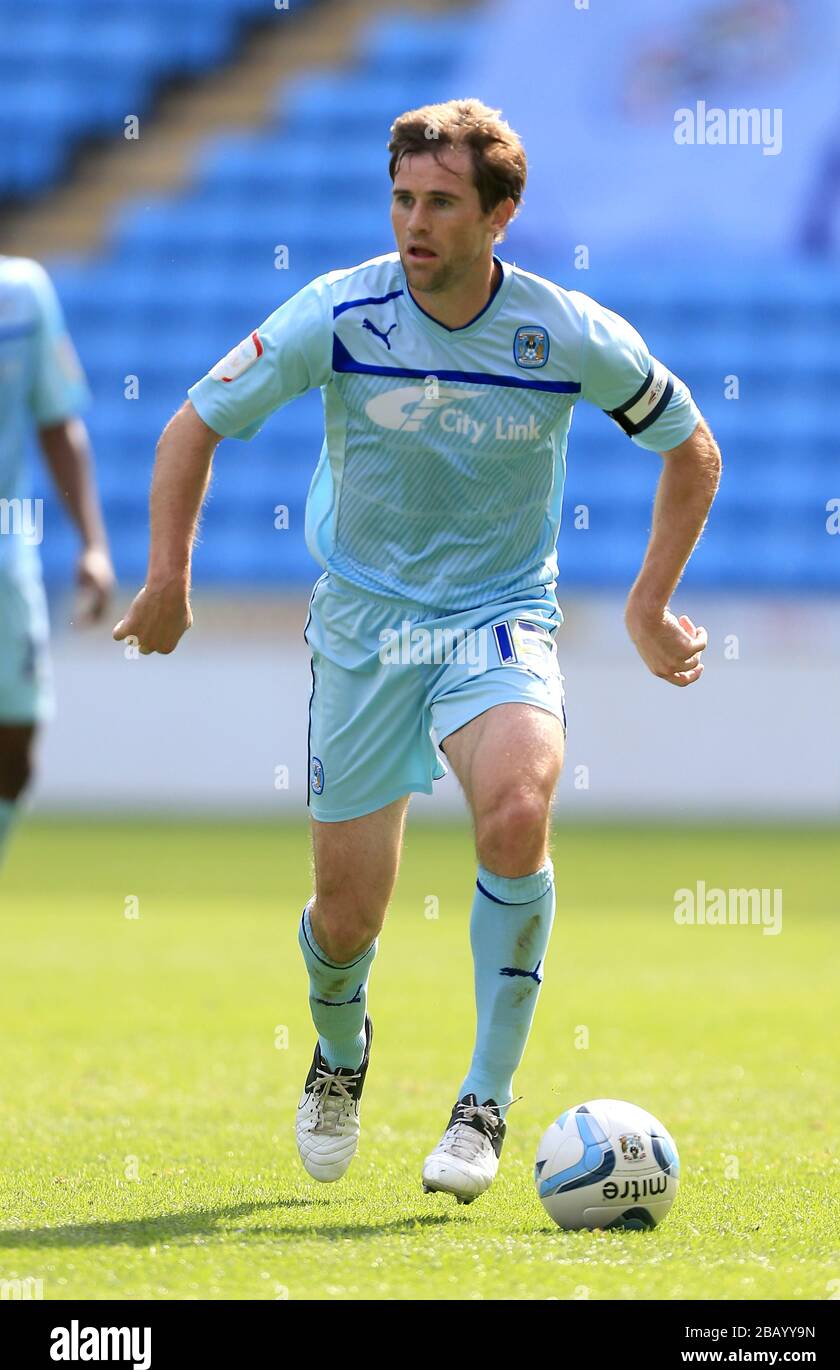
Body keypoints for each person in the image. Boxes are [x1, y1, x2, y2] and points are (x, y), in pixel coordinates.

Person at [113, 99, 721, 1204]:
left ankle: (483, 1100)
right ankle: (339, 1054)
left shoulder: (564, 330)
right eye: (401, 199)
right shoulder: (340, 312)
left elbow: (691, 445)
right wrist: (166, 579)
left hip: (496, 614)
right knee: (344, 923)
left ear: (500, 213)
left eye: (440, 202)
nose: (414, 222)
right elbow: (192, 421)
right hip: (362, 630)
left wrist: (646, 604)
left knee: (517, 812)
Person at [0, 255, 114, 869]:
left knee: (16, 745)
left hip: (5, 558)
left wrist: (92, 543)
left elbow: (56, 420)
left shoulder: (22, 294)